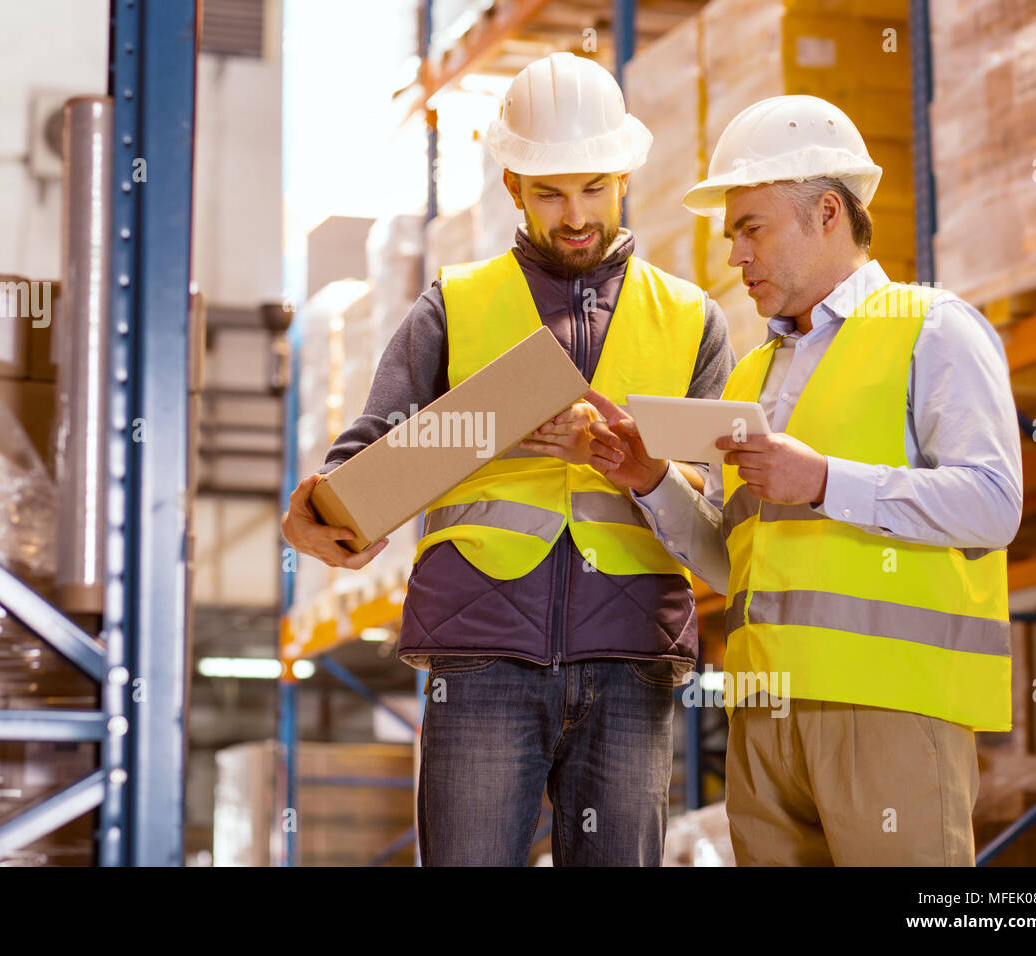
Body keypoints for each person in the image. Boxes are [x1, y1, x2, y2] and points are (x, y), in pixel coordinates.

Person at [281, 52, 734, 866]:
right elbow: (369, 451)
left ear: (625, 175)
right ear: (513, 188)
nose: (575, 214)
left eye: (594, 188)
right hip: (481, 651)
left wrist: (638, 467)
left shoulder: (693, 321)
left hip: (630, 659)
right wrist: (316, 507)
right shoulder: (454, 305)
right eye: (551, 192)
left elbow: (720, 514)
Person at [585, 94, 1023, 866]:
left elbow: (994, 505)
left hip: (889, 707)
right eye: (732, 236)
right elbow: (733, 560)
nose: (735, 257)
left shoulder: (933, 326)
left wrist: (824, 481)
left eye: (751, 229)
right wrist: (650, 478)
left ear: (827, 212)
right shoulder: (752, 374)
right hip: (762, 717)